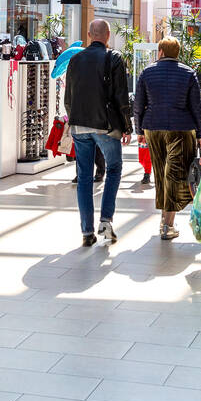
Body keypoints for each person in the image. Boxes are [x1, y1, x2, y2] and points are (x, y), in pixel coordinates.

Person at [64, 18, 132, 247]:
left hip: (79, 125)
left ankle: (86, 231)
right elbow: (121, 95)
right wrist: (127, 126)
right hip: (105, 125)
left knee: (84, 176)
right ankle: (105, 221)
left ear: (90, 34)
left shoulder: (75, 59)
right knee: (114, 168)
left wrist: (73, 120)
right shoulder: (114, 58)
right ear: (108, 35)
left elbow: (68, 97)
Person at [134, 37, 201, 242]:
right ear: (177, 53)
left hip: (153, 127)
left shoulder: (147, 72)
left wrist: (139, 130)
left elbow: (139, 104)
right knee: (174, 174)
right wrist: (200, 134)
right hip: (182, 129)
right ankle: (168, 224)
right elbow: (196, 107)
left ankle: (165, 220)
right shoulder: (188, 73)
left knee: (160, 172)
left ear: (161, 52)